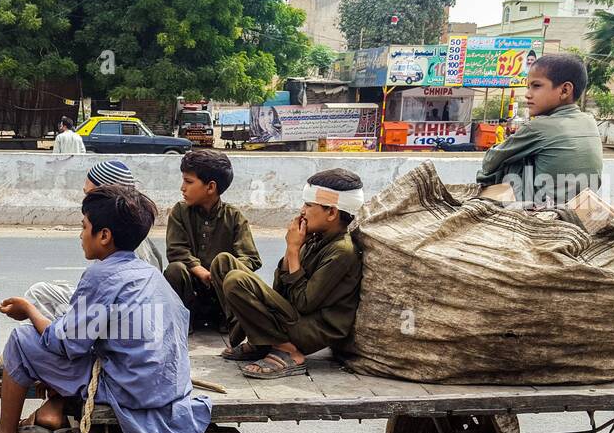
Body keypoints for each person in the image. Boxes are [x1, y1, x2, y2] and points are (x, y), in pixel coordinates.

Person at [0, 185, 212, 433]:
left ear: (104, 236)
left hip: (132, 389)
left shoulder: (102, 274)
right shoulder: (148, 273)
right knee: (75, 338)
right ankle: (53, 409)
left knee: (22, 340)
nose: (80, 234)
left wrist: (28, 310)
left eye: (83, 226)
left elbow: (63, 343)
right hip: (163, 383)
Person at [211, 168, 364, 380]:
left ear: (331, 213)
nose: (302, 211)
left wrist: (293, 250)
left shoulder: (342, 251)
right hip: (295, 316)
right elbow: (280, 289)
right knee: (223, 263)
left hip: (313, 328)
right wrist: (292, 247)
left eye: (309, 205)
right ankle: (261, 341)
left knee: (237, 281)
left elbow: (303, 303)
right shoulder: (313, 239)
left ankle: (288, 350)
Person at [25, 160, 164, 320]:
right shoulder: (134, 235)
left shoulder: (123, 255)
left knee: (35, 304)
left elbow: (79, 330)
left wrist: (31, 313)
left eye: (89, 195)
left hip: (114, 319)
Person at [476, 52, 603, 206]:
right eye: (528, 87)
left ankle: (491, 199)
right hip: (584, 205)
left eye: (536, 86)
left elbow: (489, 162)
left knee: (509, 160)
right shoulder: (589, 120)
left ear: (565, 90)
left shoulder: (538, 127)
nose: (528, 95)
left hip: (544, 208)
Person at [163, 149, 261, 331]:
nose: (182, 188)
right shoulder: (180, 212)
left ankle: (228, 320)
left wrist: (221, 273)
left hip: (221, 295)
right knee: (174, 269)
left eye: (188, 182)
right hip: (191, 293)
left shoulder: (234, 216)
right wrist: (202, 273)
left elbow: (250, 259)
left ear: (210, 187)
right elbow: (176, 250)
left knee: (238, 273)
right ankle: (184, 320)